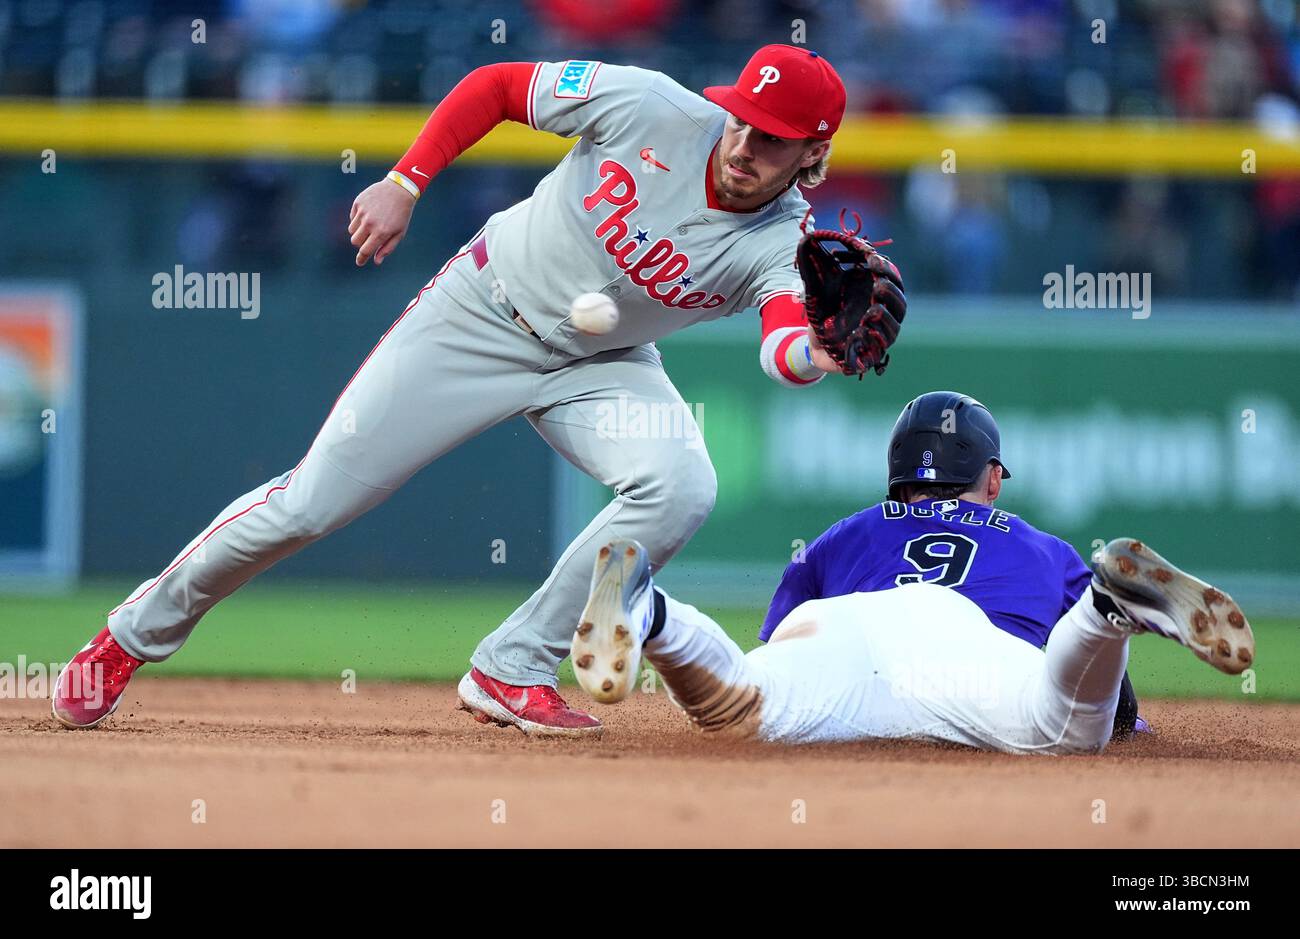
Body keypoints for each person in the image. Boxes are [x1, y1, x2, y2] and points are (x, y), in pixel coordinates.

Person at [54, 46, 898, 737]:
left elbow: (783, 346)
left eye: (775, 138)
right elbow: (497, 87)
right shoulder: (651, 106)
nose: (747, 144)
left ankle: (512, 664)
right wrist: (406, 181)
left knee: (683, 484)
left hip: (601, 364)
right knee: (308, 503)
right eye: (746, 118)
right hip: (479, 311)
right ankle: (128, 637)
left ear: (814, 155)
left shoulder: (785, 243)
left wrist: (818, 354)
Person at [569, 392, 1255, 753]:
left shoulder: (841, 536)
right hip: (964, 646)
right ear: (991, 479)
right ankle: (1109, 610)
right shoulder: (1039, 545)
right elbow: (1121, 711)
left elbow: (779, 640)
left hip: (845, 628)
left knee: (742, 703)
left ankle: (652, 607)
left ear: (898, 479)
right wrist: (1123, 719)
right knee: (1066, 734)